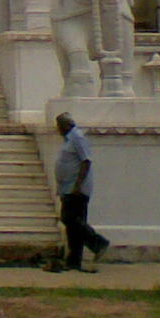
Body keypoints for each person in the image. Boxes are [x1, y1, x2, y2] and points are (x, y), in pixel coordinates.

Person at [54, 112, 110, 271]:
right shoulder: (69, 140)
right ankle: (73, 260)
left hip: (76, 189)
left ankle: (97, 242)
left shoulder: (77, 138)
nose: (58, 130)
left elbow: (86, 161)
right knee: (72, 225)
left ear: (65, 125)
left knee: (70, 218)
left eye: (59, 126)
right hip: (67, 188)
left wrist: (78, 185)